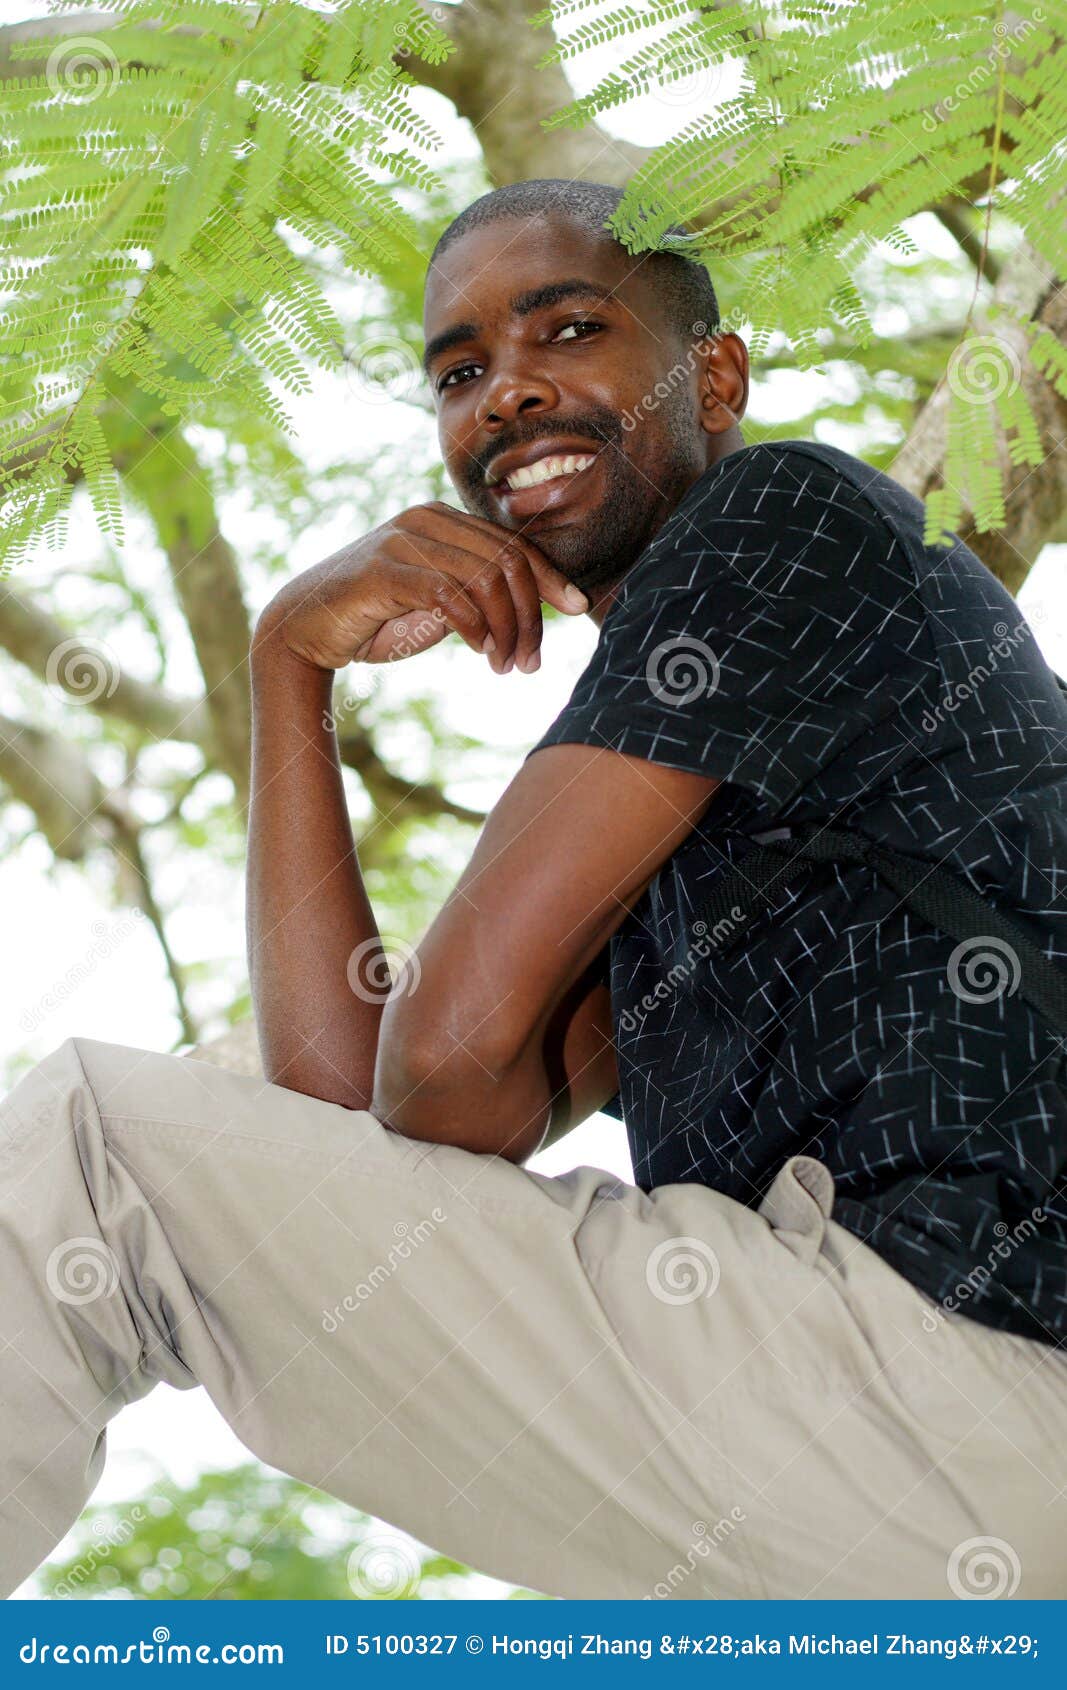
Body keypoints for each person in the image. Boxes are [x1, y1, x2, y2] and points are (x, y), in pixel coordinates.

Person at [3, 179, 1066, 1603]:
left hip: (957, 1370)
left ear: (717, 378)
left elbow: (438, 1061)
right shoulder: (716, 814)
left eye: (569, 331)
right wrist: (288, 664)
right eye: (459, 373)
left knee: (94, 1153)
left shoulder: (785, 509)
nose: (505, 392)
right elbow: (352, 1127)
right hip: (914, 1475)